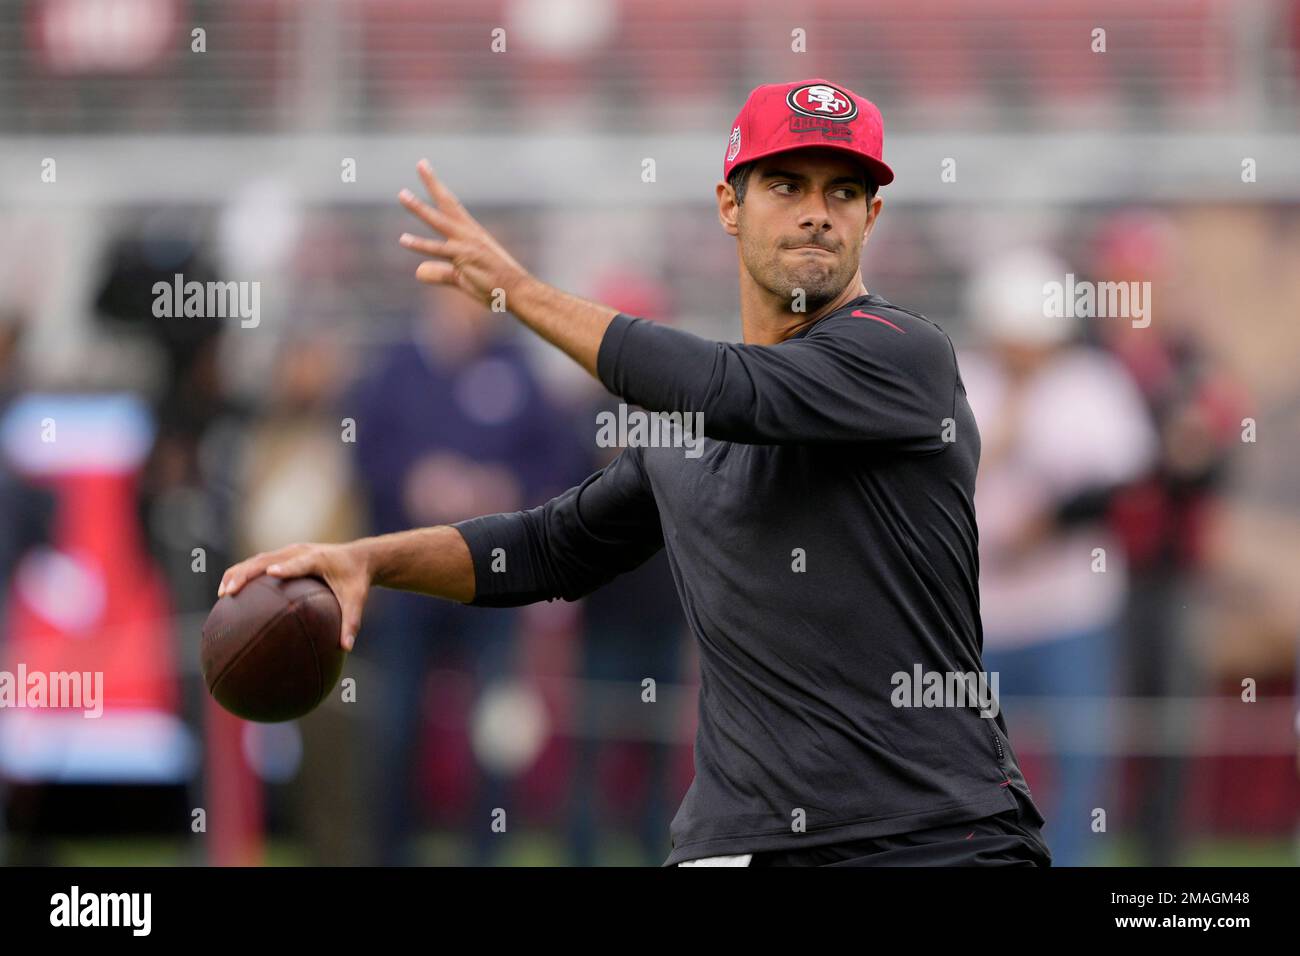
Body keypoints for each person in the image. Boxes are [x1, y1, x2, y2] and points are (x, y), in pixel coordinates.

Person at [219, 78, 1051, 867]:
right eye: (786, 185)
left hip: (935, 833)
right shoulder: (687, 428)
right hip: (741, 839)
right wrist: (370, 559)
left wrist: (516, 292)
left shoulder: (903, 357)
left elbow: (731, 389)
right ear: (730, 205)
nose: (816, 214)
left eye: (842, 192)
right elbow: (546, 547)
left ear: (872, 216)